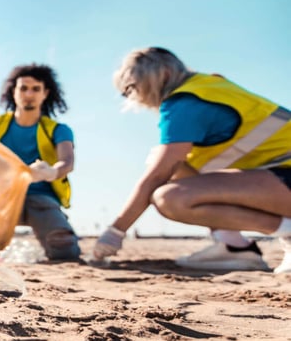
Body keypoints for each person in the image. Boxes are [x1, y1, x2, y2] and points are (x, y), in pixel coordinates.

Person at [93, 47, 291, 273]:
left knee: (170, 197)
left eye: (133, 87)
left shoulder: (184, 104)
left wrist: (116, 231)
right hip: (277, 176)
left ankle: (288, 232)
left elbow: (158, 176)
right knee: (170, 161)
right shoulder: (209, 86)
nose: (133, 96)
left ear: (164, 74)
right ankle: (233, 246)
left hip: (285, 177)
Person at [0, 64, 81, 261]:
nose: (29, 94)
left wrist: (50, 172)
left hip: (40, 197)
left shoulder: (57, 129)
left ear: (45, 93)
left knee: (66, 251)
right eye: (23, 88)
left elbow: (67, 162)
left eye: (35, 89)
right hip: (0, 199)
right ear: (13, 92)